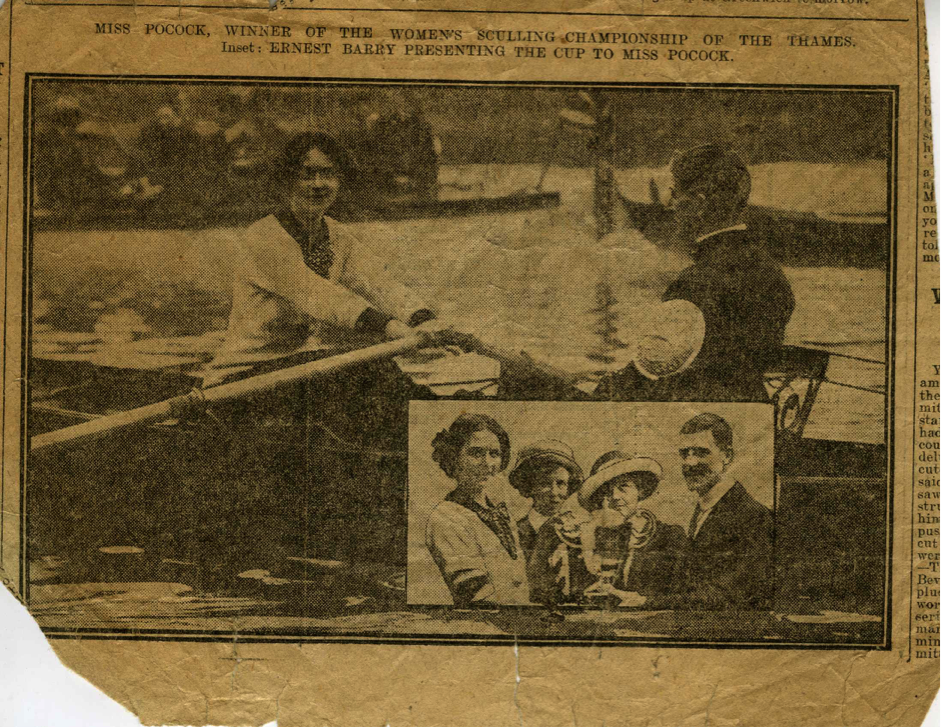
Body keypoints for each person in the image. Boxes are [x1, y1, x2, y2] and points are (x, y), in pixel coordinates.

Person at [203, 132, 447, 386]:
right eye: (307, 174)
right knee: (367, 369)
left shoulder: (338, 236)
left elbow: (381, 284)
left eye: (328, 174)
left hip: (294, 370)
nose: (318, 184)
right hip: (241, 378)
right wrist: (391, 327)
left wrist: (425, 320)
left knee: (377, 369)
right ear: (287, 180)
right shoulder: (262, 238)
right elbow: (322, 297)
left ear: (339, 181)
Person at [598, 144, 795, 402]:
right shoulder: (770, 273)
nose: (670, 205)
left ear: (699, 204)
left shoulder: (694, 283)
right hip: (754, 414)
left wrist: (583, 385)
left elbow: (648, 375)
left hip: (688, 422)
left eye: (676, 194)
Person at [527, 451, 686, 609]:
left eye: (624, 487)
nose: (615, 496)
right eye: (607, 490)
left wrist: (644, 601)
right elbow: (538, 593)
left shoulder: (668, 536)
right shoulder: (573, 539)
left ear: (640, 491)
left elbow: (686, 597)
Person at [668, 412, 773, 610]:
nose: (690, 463)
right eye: (685, 454)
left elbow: (730, 594)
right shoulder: (704, 508)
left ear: (727, 456)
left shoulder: (754, 516)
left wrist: (649, 602)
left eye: (701, 452)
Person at [425, 414, 529, 607]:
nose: (487, 463)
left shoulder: (498, 511)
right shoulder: (446, 517)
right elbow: (478, 596)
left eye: (494, 454)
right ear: (454, 457)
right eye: (476, 453)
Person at [507, 440, 583, 562]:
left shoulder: (579, 533)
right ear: (529, 485)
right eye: (545, 483)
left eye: (561, 483)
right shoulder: (513, 533)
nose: (554, 492)